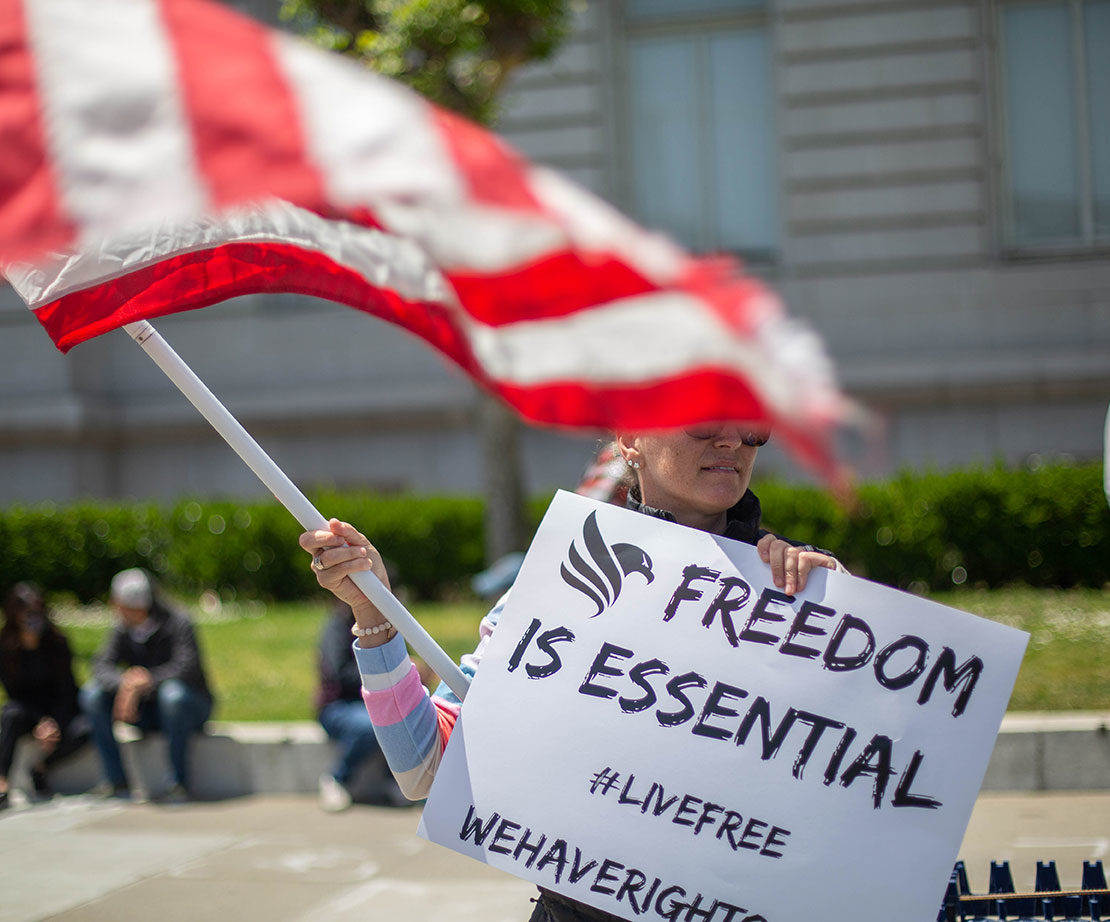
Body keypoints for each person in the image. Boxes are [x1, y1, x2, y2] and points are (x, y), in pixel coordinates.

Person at [299, 423, 843, 922]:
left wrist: (840, 623)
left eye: (752, 427)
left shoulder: (808, 590)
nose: (732, 442)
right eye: (703, 418)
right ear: (632, 438)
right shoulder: (555, 583)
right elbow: (425, 767)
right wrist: (375, 618)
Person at [79, 568, 214, 803]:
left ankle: (177, 782)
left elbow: (186, 666)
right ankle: (115, 778)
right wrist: (126, 683)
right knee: (92, 695)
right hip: (145, 710)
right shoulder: (121, 628)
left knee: (173, 695)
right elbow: (101, 665)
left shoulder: (177, 621)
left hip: (188, 708)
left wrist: (147, 680)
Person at [0, 582, 89, 809]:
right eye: (26, 614)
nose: (33, 621)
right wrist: (40, 721)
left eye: (37, 613)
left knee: (84, 729)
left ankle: (42, 767)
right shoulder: (6, 647)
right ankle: (2, 780)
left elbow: (67, 690)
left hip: (59, 710)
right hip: (27, 711)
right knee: (10, 715)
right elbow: (13, 694)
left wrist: (54, 722)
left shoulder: (57, 643)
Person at [315, 600, 409, 812]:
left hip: (375, 703)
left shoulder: (390, 626)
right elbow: (340, 675)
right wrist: (383, 673)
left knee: (407, 718)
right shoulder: (336, 628)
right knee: (370, 725)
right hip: (339, 706)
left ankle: (395, 781)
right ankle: (337, 779)